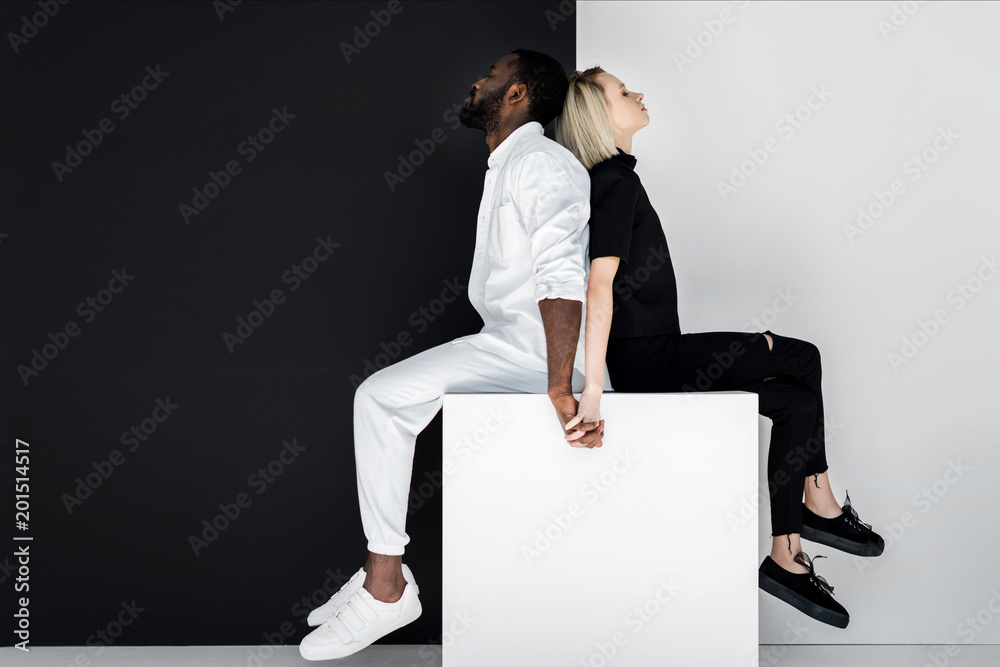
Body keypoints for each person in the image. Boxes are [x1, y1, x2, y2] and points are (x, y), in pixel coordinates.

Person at [298, 50, 605, 661]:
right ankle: (377, 579)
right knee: (384, 398)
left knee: (380, 397)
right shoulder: (509, 164)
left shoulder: (541, 163)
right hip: (510, 341)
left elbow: (562, 276)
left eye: (490, 76)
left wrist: (560, 384)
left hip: (531, 350)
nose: (475, 82)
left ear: (516, 94)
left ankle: (385, 585)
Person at [554, 66, 884, 629]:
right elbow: (598, 285)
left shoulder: (614, 179)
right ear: (598, 115)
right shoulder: (614, 181)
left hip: (657, 352)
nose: (638, 94)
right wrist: (591, 391)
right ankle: (820, 504)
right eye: (622, 91)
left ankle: (786, 557)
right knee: (802, 356)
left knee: (796, 405)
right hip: (649, 358)